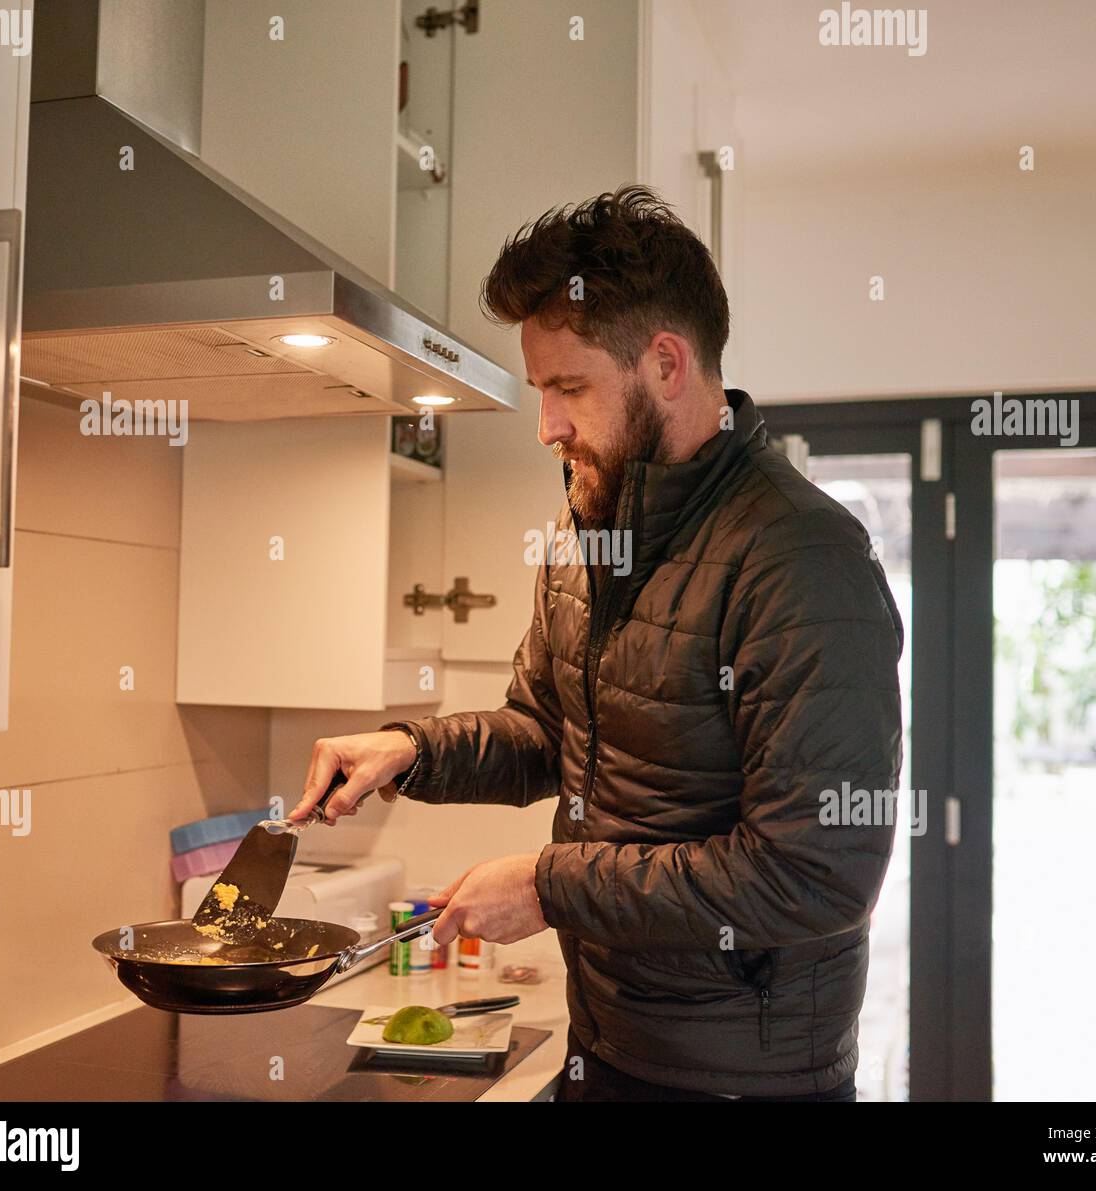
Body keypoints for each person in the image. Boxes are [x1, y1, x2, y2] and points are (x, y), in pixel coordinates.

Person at [291, 185, 903, 1101]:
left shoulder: (802, 557)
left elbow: (815, 873)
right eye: (542, 392)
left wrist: (551, 887)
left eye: (568, 388)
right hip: (606, 1045)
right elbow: (549, 733)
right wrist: (410, 751)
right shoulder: (592, 529)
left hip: (745, 1081)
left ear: (666, 364)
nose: (547, 427)